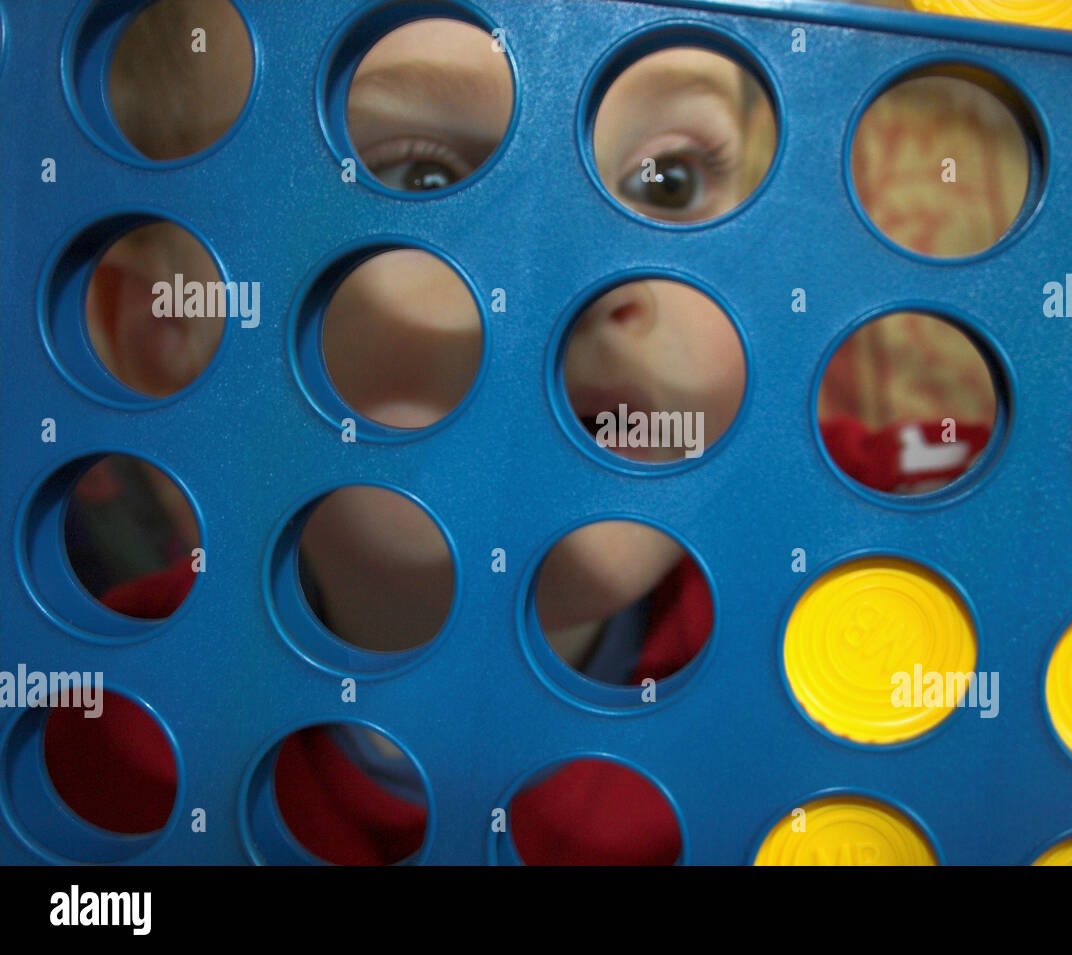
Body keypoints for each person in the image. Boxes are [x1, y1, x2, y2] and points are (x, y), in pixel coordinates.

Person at [49, 2, 998, 865]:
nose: (603, 264)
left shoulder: (883, 556)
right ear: (162, 340)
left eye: (666, 182)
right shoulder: (103, 735)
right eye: (423, 178)